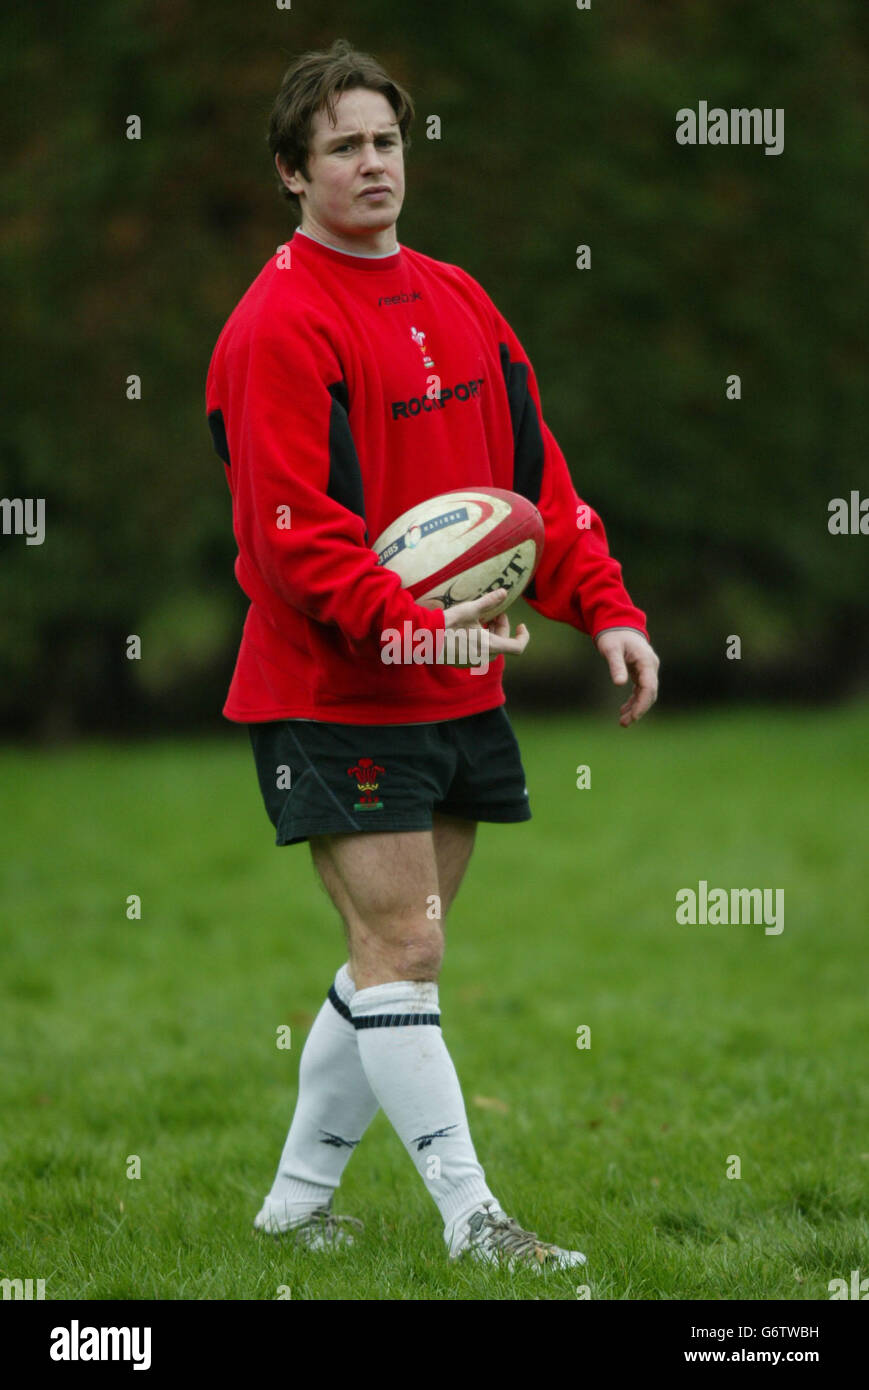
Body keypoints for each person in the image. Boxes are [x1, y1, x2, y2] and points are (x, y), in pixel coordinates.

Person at [205, 38, 659, 1272]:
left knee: (391, 954)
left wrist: (604, 605)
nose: (371, 164)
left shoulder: (459, 297)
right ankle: (475, 1222)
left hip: (454, 684)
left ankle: (293, 1211)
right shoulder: (277, 327)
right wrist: (413, 624)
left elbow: (532, 484)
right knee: (404, 948)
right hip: (335, 690)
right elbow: (292, 541)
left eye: (385, 141)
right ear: (293, 174)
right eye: (342, 146)